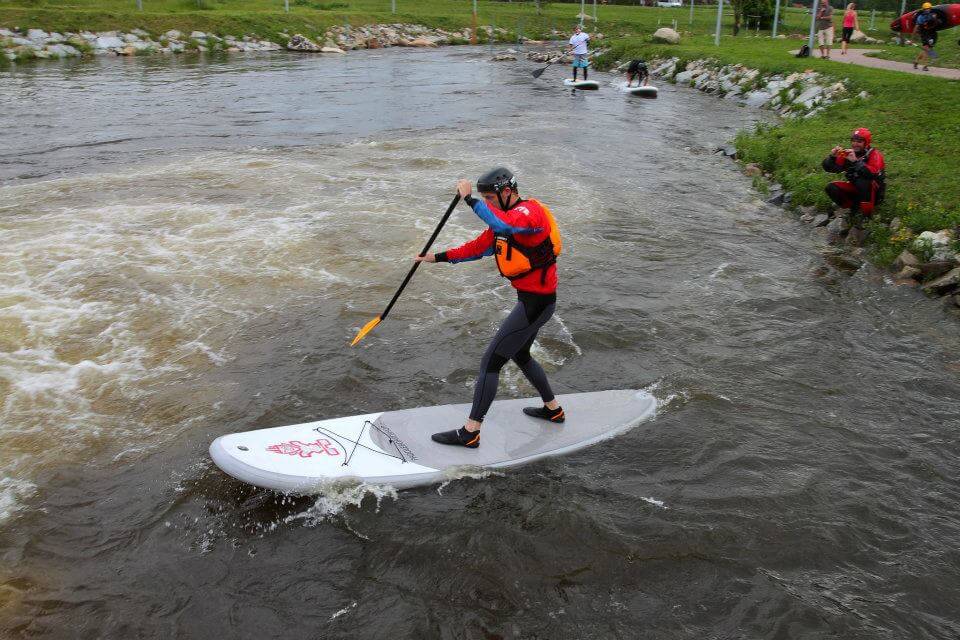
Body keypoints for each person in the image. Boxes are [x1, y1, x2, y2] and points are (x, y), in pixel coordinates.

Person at [416, 168, 564, 449]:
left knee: (490, 363)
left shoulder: (529, 214)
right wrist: (436, 258)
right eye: (485, 199)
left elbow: (505, 225)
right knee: (520, 354)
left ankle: (471, 432)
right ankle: (553, 409)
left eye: (490, 199)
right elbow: (476, 248)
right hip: (534, 302)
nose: (490, 204)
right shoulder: (504, 222)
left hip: (536, 304)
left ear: (506, 192)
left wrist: (470, 200)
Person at [822, 127, 885, 218]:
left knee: (863, 182)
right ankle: (852, 208)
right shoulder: (848, 154)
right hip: (856, 189)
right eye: (853, 141)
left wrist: (855, 162)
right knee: (831, 188)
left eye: (859, 141)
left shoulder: (875, 155)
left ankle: (867, 215)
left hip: (874, 194)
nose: (855, 144)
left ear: (866, 143)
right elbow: (829, 168)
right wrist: (832, 157)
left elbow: (872, 175)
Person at [913, 2, 941, 71]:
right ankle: (925, 66)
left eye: (928, 9)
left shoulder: (933, 15)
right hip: (924, 34)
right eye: (926, 9)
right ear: (923, 9)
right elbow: (916, 27)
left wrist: (936, 19)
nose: (927, 10)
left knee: (927, 49)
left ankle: (916, 61)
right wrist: (912, 38)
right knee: (926, 49)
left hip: (933, 34)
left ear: (930, 9)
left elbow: (937, 23)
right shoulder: (920, 17)